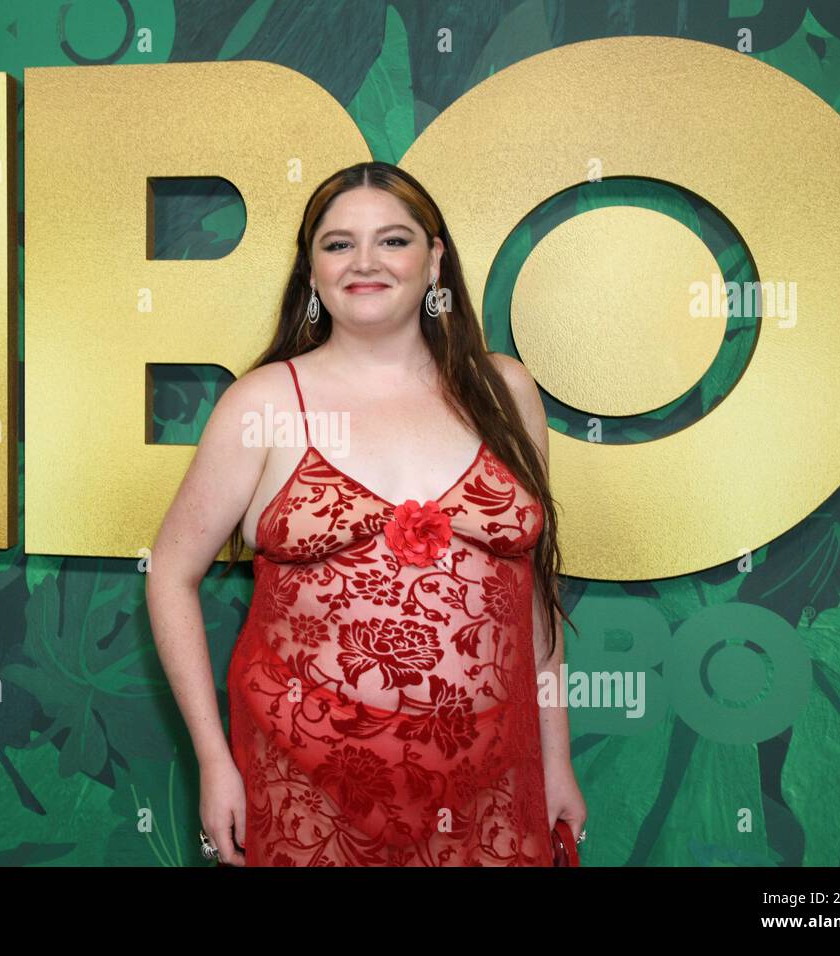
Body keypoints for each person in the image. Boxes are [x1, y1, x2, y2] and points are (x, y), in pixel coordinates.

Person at [146, 161, 586, 866]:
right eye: (338, 243)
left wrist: (554, 759)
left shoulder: (504, 390)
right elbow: (169, 575)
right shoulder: (262, 404)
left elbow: (534, 590)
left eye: (393, 240)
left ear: (435, 258)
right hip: (307, 787)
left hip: (492, 780)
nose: (365, 262)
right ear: (311, 270)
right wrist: (214, 758)